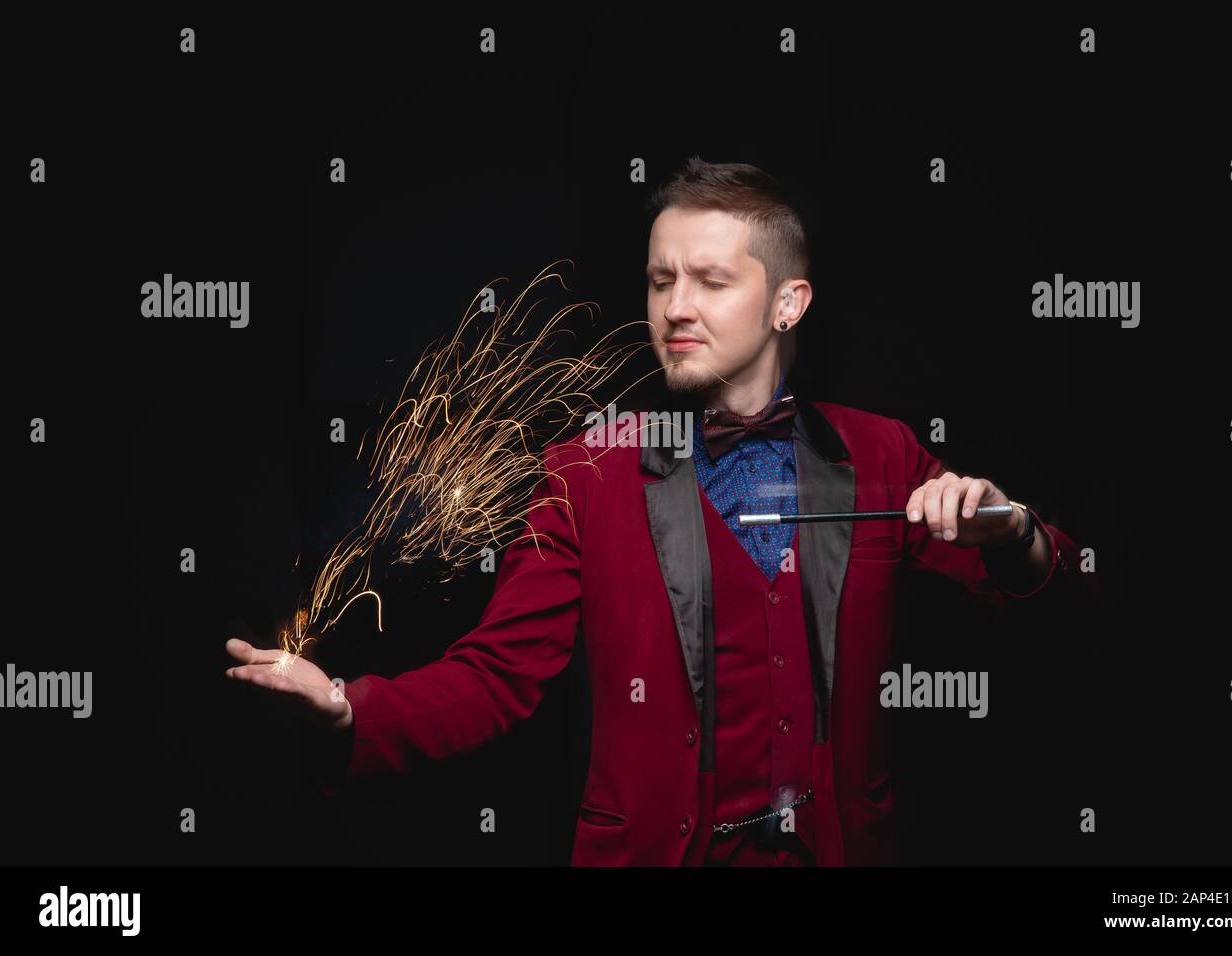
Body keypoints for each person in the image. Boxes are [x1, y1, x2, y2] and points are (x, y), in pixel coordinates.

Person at [225, 157, 1082, 865]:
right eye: (660, 280)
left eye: (711, 281)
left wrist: (1013, 527)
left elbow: (1059, 593)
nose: (674, 307)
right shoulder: (587, 472)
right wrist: (345, 703)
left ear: (789, 303)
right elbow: (497, 678)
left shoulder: (885, 454)